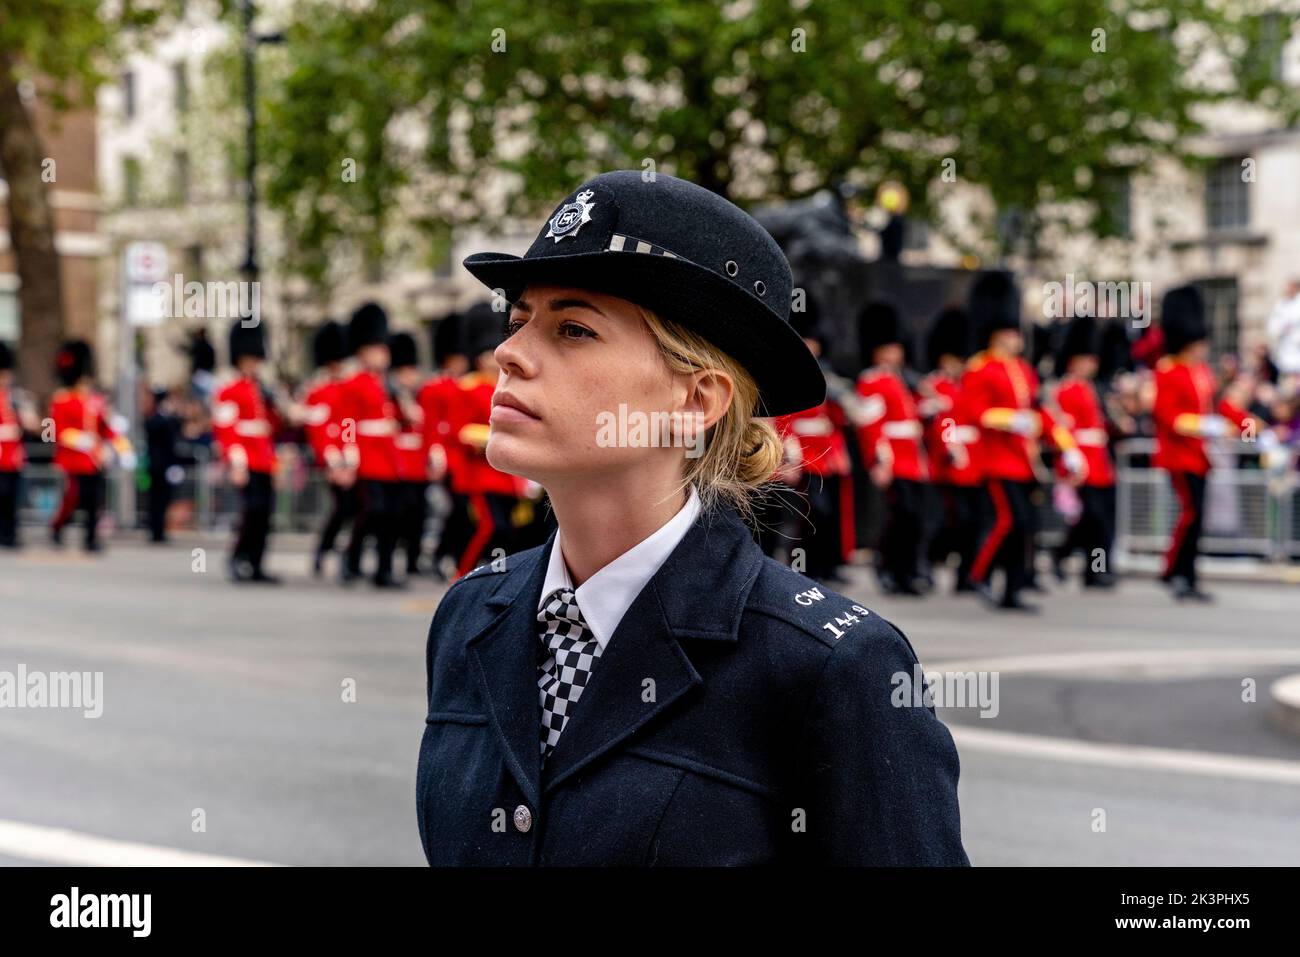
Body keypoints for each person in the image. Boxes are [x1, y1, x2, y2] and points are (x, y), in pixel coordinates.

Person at [415, 170, 969, 866]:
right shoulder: (471, 616)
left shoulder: (832, 667)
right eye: (520, 318)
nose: (509, 353)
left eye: (574, 328)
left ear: (697, 399)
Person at [1152, 285, 1258, 601]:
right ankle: (1174, 570)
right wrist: (1207, 426)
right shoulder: (1168, 371)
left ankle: (1186, 575)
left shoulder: (1200, 372)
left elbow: (1220, 406)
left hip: (1199, 455)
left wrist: (1251, 427)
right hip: (1178, 455)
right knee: (1191, 513)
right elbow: (1168, 416)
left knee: (1196, 517)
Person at [963, 273, 1047, 611]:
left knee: (1023, 525)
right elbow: (975, 412)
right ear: (997, 333)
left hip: (1022, 458)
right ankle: (978, 572)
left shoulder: (1023, 370)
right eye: (1011, 332)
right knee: (1007, 521)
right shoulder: (981, 368)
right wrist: (1011, 419)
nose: (1017, 337)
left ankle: (1012, 589)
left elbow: (1036, 407)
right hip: (996, 459)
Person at [770, 296, 855, 583]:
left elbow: (833, 420)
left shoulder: (825, 375)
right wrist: (790, 455)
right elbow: (783, 419)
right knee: (808, 515)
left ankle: (823, 566)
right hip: (802, 454)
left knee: (826, 516)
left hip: (825, 455)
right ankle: (803, 569)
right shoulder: (784, 375)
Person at [856, 300, 929, 595]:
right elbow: (871, 425)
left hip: (912, 459)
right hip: (893, 459)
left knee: (913, 518)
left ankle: (908, 571)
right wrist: (878, 459)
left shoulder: (902, 380)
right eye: (890, 347)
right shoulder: (871, 380)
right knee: (898, 517)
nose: (896, 353)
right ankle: (886, 567)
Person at [1047, 316, 1116, 588]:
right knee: (1092, 521)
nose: (1093, 363)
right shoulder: (1066, 390)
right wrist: (1070, 462)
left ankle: (1088, 566)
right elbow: (1063, 431)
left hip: (1099, 462)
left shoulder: (1091, 389)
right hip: (1083, 463)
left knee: (1098, 522)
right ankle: (1089, 567)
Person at [338, 302, 403, 588]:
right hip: (367, 456)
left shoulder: (387, 385)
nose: (383, 354)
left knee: (390, 515)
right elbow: (347, 422)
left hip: (389, 457)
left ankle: (384, 569)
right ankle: (351, 558)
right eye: (377, 348)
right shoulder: (354, 383)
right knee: (372, 512)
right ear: (364, 351)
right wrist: (349, 457)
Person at [917, 306, 982, 592]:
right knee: (945, 520)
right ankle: (929, 561)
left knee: (971, 521)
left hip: (973, 462)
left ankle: (965, 574)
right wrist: (950, 445)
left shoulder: (967, 384)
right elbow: (943, 421)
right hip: (947, 462)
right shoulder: (934, 385)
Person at [212, 321, 281, 583]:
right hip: (246, 458)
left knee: (265, 513)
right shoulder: (229, 391)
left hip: (264, 458)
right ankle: (238, 557)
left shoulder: (260, 391)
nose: (254, 364)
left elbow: (271, 428)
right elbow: (226, 429)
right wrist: (237, 462)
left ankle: (257, 562)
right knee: (251, 511)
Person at [49, 341, 133, 552]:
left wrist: (124, 449)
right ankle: (57, 526)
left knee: (94, 500)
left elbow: (107, 429)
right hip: (73, 459)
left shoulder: (95, 401)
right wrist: (83, 441)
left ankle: (91, 537)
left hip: (94, 459)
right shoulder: (63, 400)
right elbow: (58, 431)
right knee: (73, 498)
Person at [302, 320, 356, 577]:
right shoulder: (318, 391)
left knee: (351, 510)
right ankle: (324, 551)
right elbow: (320, 430)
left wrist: (350, 456)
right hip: (332, 460)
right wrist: (333, 461)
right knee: (341, 509)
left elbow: (348, 424)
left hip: (349, 457)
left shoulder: (346, 388)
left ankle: (341, 554)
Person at [419, 313, 471, 579]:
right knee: (455, 509)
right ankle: (442, 555)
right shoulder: (433, 387)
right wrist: (435, 454)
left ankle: (448, 554)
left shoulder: (464, 385)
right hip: (447, 457)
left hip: (463, 457)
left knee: (463, 512)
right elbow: (431, 425)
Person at [389, 331, 429, 577]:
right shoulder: (390, 396)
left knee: (418, 516)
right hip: (399, 465)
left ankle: (413, 560)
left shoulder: (420, 395)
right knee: (397, 517)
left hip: (418, 465)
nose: (410, 377)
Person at [0, 342, 37, 548]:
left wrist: (30, 419)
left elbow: (38, 426)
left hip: (14, 458)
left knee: (13, 499)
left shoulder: (16, 397)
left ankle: (11, 534)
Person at [143, 388, 182, 543]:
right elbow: (151, 428)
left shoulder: (170, 418)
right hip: (156, 466)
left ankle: (160, 530)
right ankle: (154, 530)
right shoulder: (155, 417)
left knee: (165, 499)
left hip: (168, 466)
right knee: (155, 500)